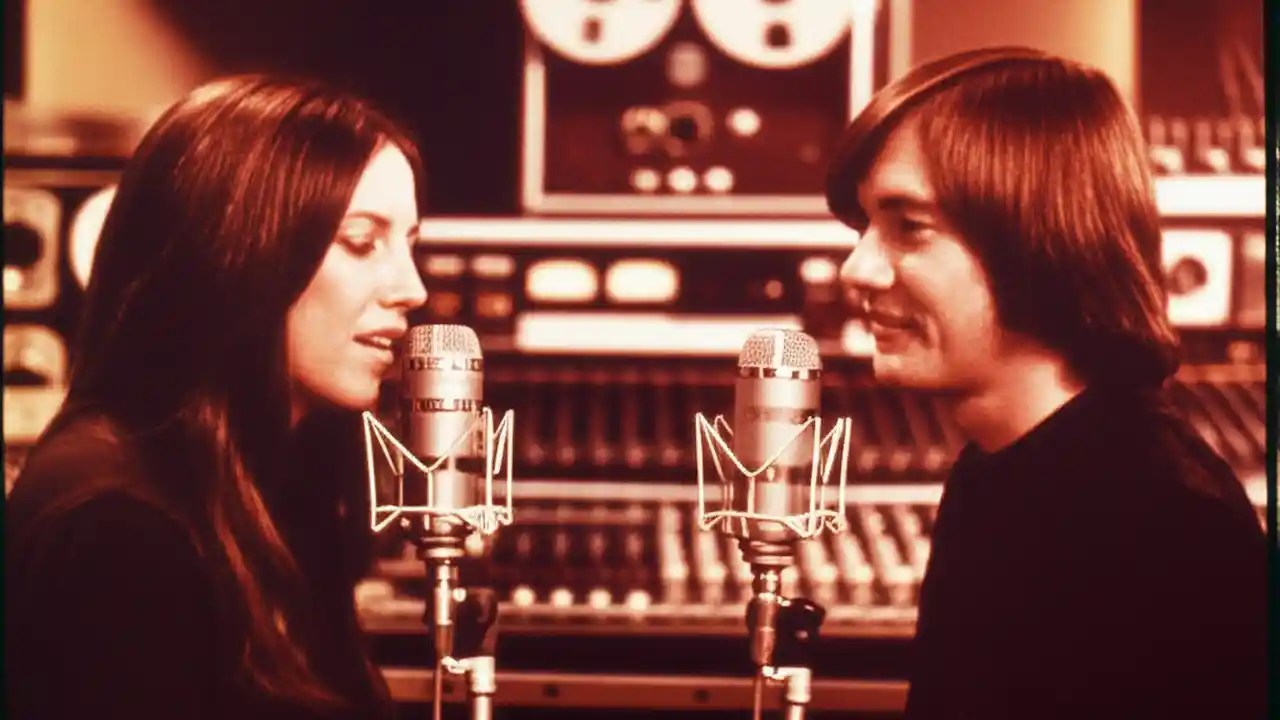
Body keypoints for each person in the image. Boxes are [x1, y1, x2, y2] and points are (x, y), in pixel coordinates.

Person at [826, 47, 1267, 719]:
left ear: (1037, 239)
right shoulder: (998, 469)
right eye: (864, 228)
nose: (856, 270)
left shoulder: (1165, 521)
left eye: (908, 228)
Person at [5, 75, 429, 719]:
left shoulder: (266, 490)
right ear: (241, 251)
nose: (411, 287)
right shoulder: (118, 528)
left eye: (410, 245)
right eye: (362, 243)